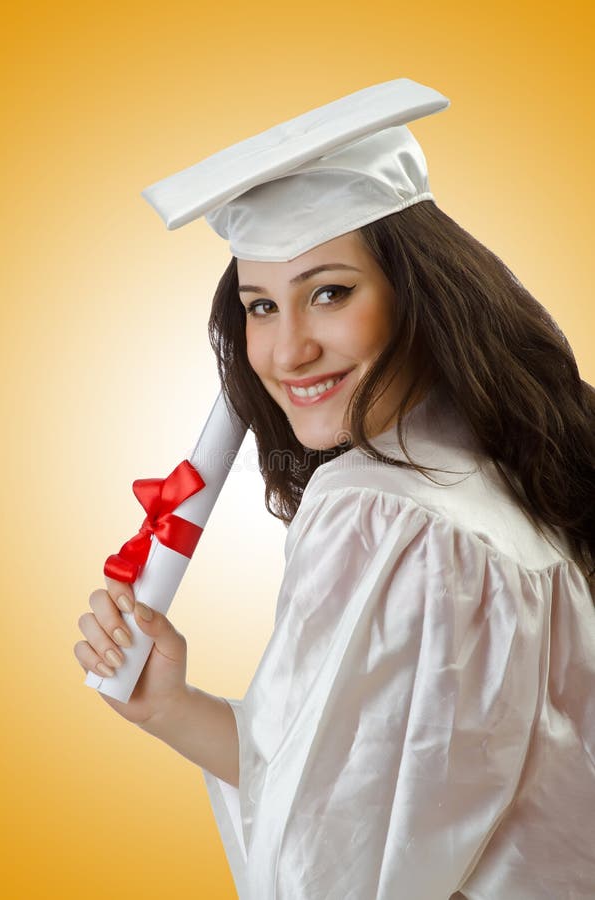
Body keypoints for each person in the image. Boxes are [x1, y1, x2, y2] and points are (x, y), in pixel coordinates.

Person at [74, 78, 595, 899]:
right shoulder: (514, 472)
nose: (288, 352)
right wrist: (168, 706)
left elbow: (325, 864)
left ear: (417, 293)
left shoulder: (379, 511)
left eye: (329, 292)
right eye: (260, 306)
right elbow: (372, 793)